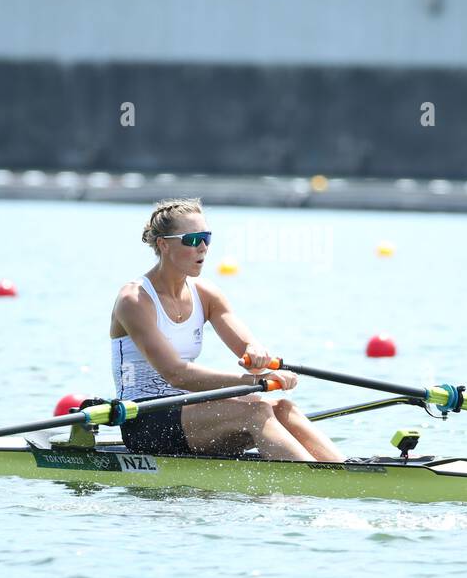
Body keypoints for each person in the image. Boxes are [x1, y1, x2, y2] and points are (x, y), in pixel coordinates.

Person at [109, 198, 343, 462]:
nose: (203, 248)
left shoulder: (207, 294)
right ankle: (312, 486)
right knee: (255, 411)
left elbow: (249, 353)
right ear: (163, 244)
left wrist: (257, 356)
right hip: (145, 420)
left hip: (189, 414)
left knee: (282, 408)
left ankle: (345, 475)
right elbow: (177, 374)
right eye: (192, 239)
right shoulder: (135, 300)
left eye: (206, 237)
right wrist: (254, 383)